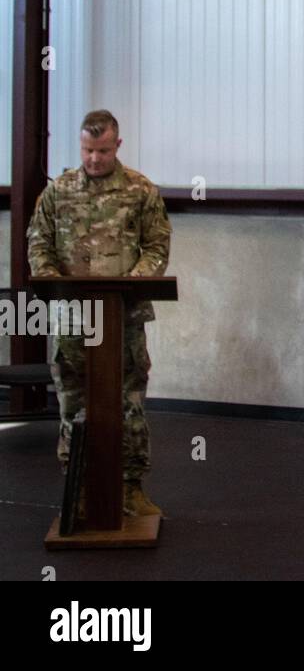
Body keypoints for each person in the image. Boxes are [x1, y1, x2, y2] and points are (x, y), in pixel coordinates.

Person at [27, 109, 172, 518]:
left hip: (122, 320)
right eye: (88, 150)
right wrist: (54, 281)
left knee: (129, 403)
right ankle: (77, 487)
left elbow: (157, 247)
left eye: (103, 150)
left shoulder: (141, 191)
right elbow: (39, 245)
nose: (94, 159)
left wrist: (134, 284)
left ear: (118, 145)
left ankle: (131, 488)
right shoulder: (58, 192)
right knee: (73, 403)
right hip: (73, 320)